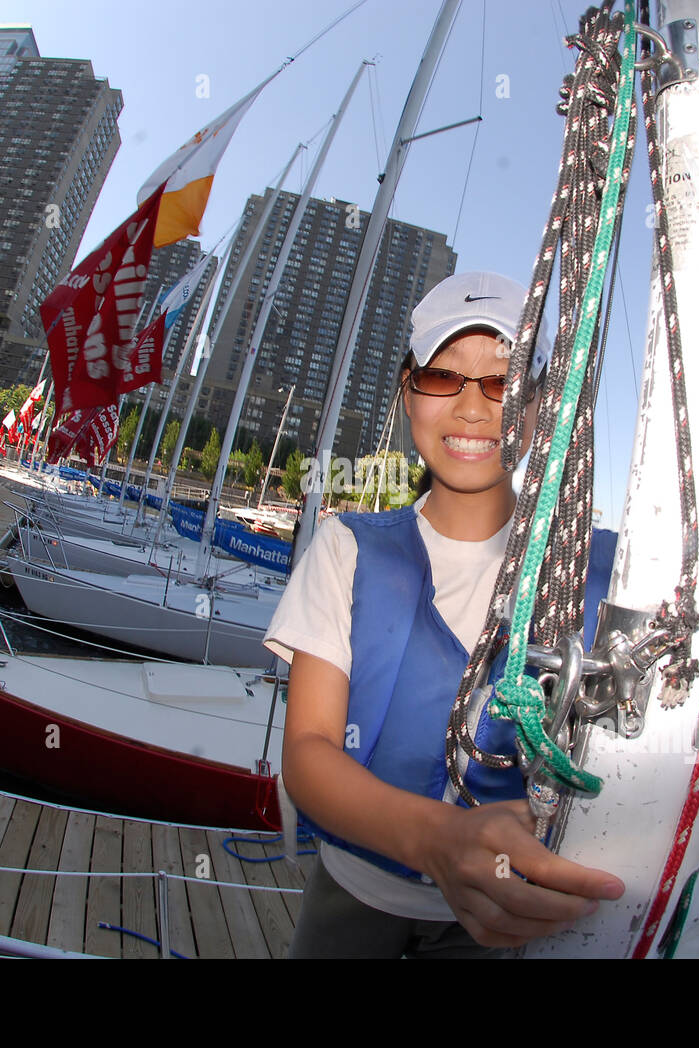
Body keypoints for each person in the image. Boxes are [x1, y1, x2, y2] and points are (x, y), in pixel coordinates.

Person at [264, 272, 624, 958]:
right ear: (407, 393)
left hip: (511, 919)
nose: (471, 408)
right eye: (442, 377)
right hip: (354, 897)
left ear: (538, 407)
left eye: (502, 382)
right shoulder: (345, 549)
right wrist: (437, 839)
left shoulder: (601, 572)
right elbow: (307, 755)